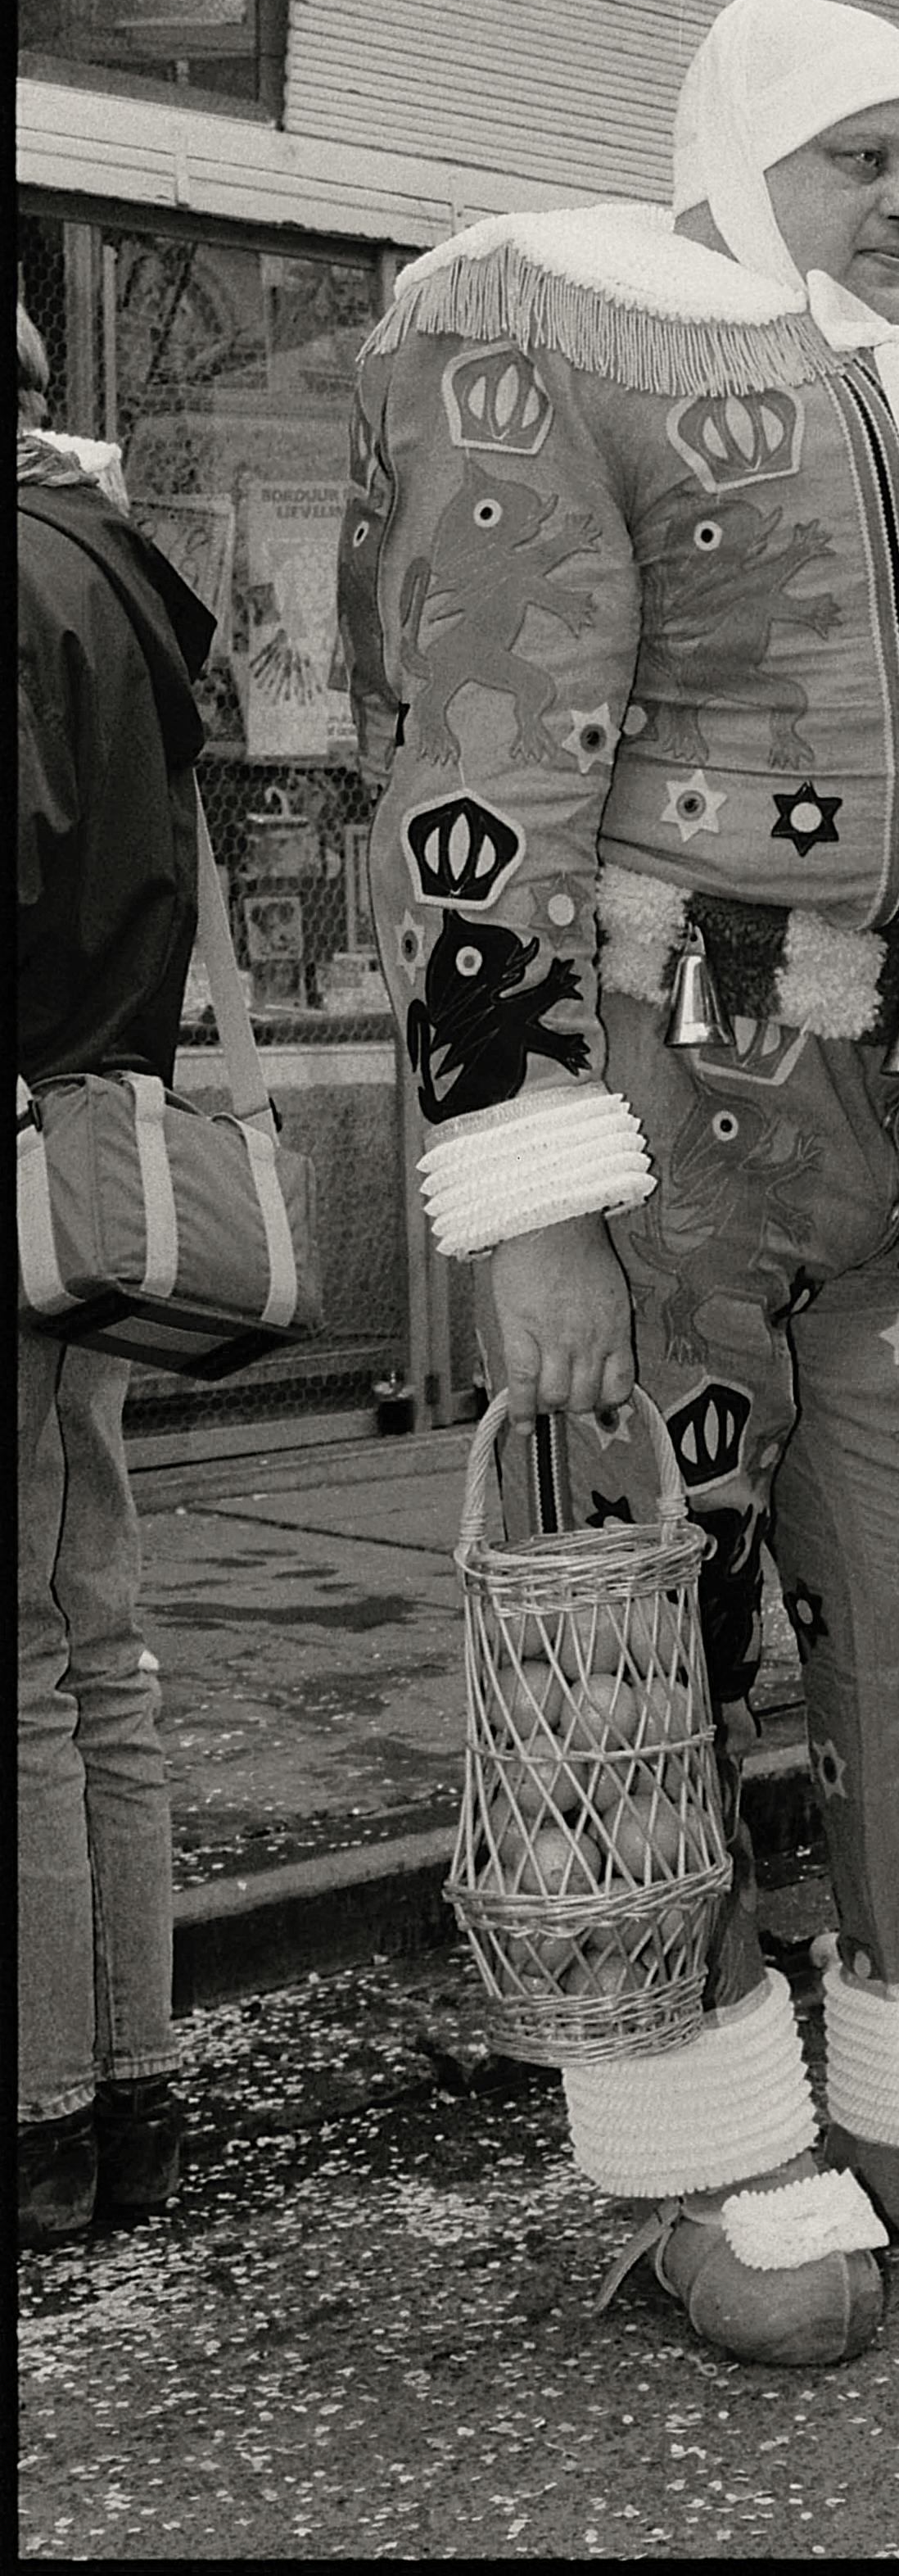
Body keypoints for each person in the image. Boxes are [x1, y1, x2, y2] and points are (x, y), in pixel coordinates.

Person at [341, 0, 899, 2369]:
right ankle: (702, 2134)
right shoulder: (585, 351)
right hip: (672, 1103)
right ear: (743, 171)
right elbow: (481, 761)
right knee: (653, 1630)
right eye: (858, 156)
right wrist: (522, 1184)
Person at [18, 301, 215, 2249]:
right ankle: (133, 2093)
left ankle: (43, 2120)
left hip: (10, 1154)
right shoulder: (119, 570)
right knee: (100, 1635)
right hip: (93, 1164)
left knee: (26, 1654)